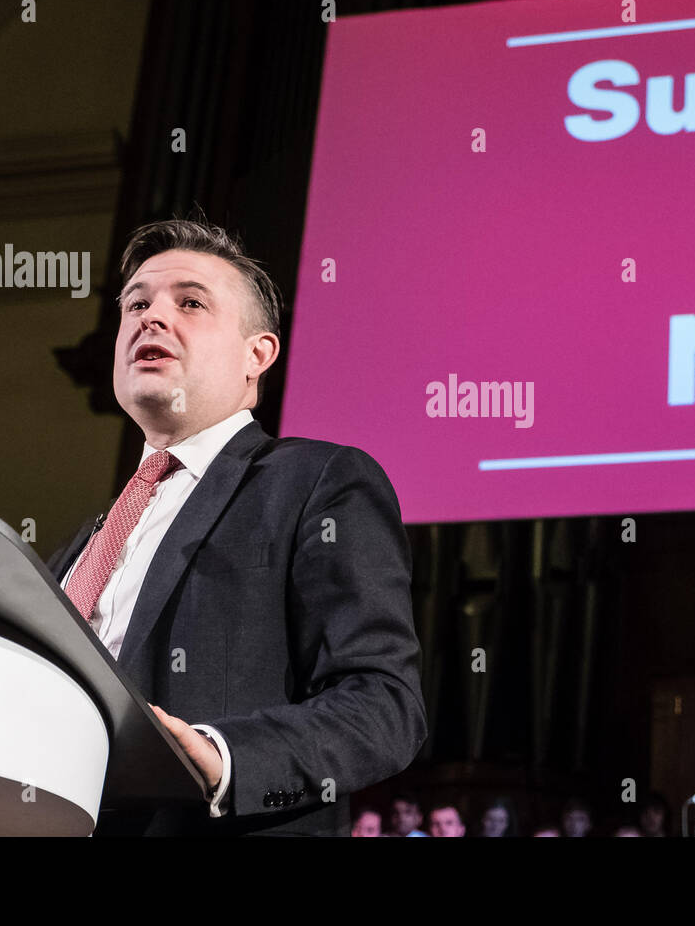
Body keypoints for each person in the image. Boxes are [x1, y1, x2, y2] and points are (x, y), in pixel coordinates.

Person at [46, 217, 427, 835]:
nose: (151, 317)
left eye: (190, 302)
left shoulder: (318, 482)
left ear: (258, 354)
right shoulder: (81, 546)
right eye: (136, 304)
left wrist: (223, 755)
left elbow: (384, 705)